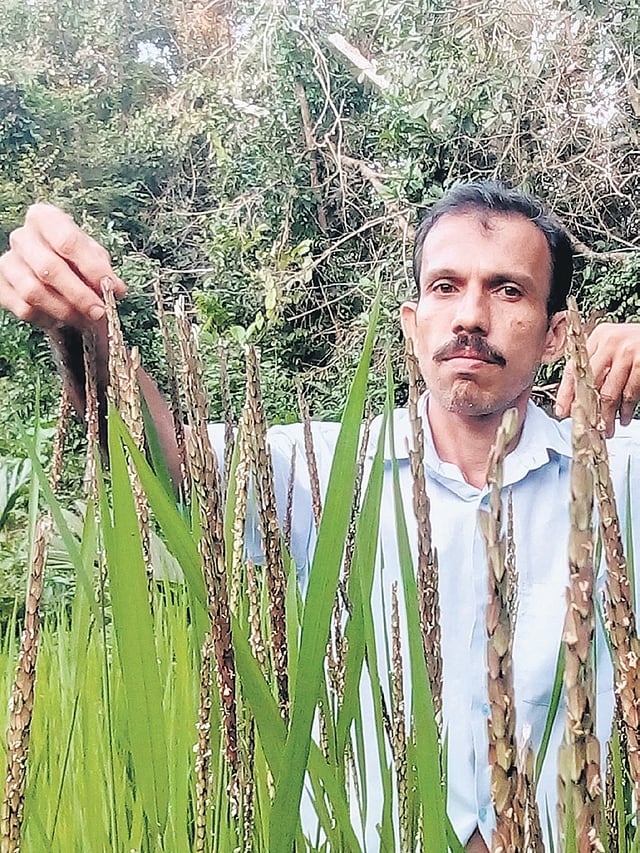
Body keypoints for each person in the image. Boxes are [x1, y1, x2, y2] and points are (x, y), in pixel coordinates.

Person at [1, 182, 639, 851]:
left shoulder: (614, 479)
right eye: (445, 286)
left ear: (556, 334)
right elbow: (167, 467)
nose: (471, 316)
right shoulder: (329, 469)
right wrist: (85, 331)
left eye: (508, 290)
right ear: (412, 322)